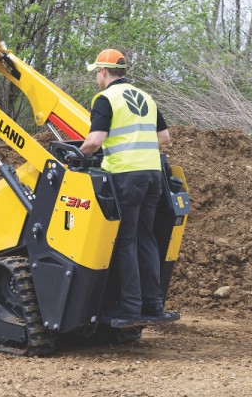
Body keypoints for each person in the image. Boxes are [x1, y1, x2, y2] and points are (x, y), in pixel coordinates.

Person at [78, 49, 172, 322]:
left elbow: (95, 140)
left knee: (125, 240)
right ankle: (153, 304)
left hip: (125, 176)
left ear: (103, 72)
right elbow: (164, 137)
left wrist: (77, 154)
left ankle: (130, 307)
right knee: (146, 238)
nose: (97, 77)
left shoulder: (105, 99)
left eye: (97, 72)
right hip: (153, 175)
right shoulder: (145, 97)